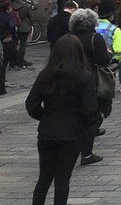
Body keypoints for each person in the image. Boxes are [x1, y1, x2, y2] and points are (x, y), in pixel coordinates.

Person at [26, 34, 99, 205]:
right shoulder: (84, 77)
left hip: (47, 131)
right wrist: (85, 127)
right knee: (63, 178)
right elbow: (90, 109)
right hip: (72, 132)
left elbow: (31, 104)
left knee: (44, 177)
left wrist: (44, 117)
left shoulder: (45, 75)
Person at [68, 8, 112, 166]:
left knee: (74, 113)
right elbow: (104, 59)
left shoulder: (68, 38)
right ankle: (86, 153)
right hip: (90, 79)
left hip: (69, 78)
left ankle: (72, 145)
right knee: (90, 114)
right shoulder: (95, 37)